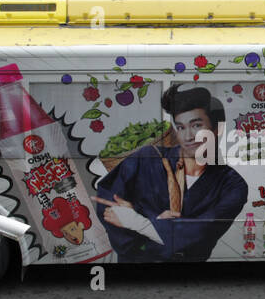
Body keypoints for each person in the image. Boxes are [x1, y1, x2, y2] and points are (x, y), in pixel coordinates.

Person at [93, 84, 248, 262]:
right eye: (181, 127)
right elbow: (107, 204)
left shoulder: (232, 186)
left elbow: (201, 232)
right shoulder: (148, 158)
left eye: (196, 125)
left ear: (217, 128)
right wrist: (146, 238)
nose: (188, 136)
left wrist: (138, 221)